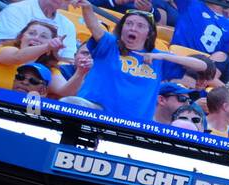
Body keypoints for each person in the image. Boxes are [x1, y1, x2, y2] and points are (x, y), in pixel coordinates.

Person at [67, 1, 206, 121]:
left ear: (149, 34)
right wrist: (86, 7)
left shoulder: (158, 58)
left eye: (140, 25)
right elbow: (94, 27)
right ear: (122, 28)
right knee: (70, 103)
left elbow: (203, 66)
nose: (133, 28)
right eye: (129, 24)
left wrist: (164, 56)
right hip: (95, 113)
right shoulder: (110, 45)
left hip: (134, 124)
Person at [0, 20, 91, 99]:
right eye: (31, 33)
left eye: (43, 36)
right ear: (21, 37)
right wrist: (47, 46)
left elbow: (65, 92)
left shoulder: (49, 69)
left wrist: (81, 72)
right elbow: (17, 57)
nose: (36, 38)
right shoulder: (7, 50)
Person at [0, 0, 80, 60]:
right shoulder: (17, 9)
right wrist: (49, 48)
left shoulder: (68, 25)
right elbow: (10, 46)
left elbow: (68, 60)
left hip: (45, 71)